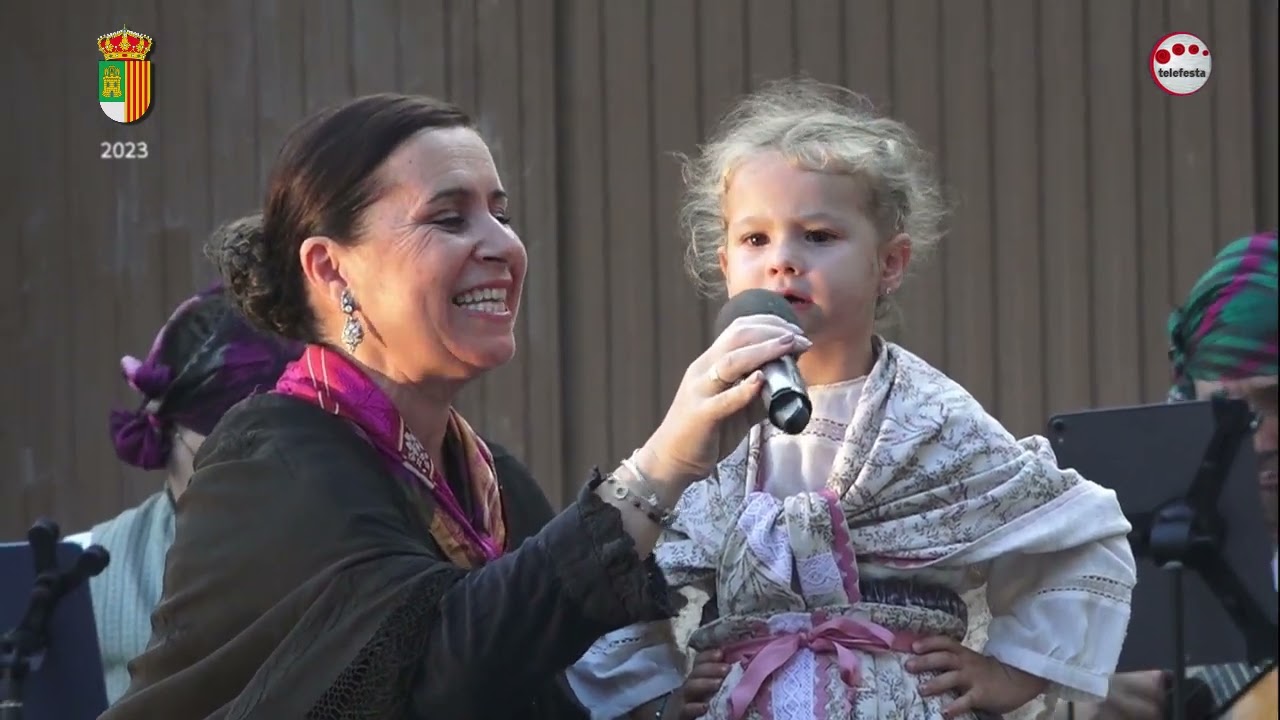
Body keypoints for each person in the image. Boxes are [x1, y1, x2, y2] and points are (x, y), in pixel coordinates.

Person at [99, 92, 807, 719]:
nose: (501, 245)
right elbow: (438, 671)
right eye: (448, 218)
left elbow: (535, 676)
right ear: (329, 268)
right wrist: (665, 463)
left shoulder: (488, 476)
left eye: (501, 214)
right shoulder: (271, 459)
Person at [565, 79, 1137, 720]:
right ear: (724, 265)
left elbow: (1076, 533)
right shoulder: (710, 424)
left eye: (817, 235)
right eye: (756, 240)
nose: (782, 261)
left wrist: (1013, 671)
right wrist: (654, 695)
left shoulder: (930, 419)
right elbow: (620, 570)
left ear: (888, 264)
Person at [64, 245, 302, 705]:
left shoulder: (351, 545)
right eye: (221, 446)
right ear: (165, 425)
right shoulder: (82, 574)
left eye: (278, 448)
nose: (251, 470)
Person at [1066, 231, 1277, 719]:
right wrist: (1088, 695)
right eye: (1228, 410)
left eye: (1277, 402)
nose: (1260, 439)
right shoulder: (1133, 539)